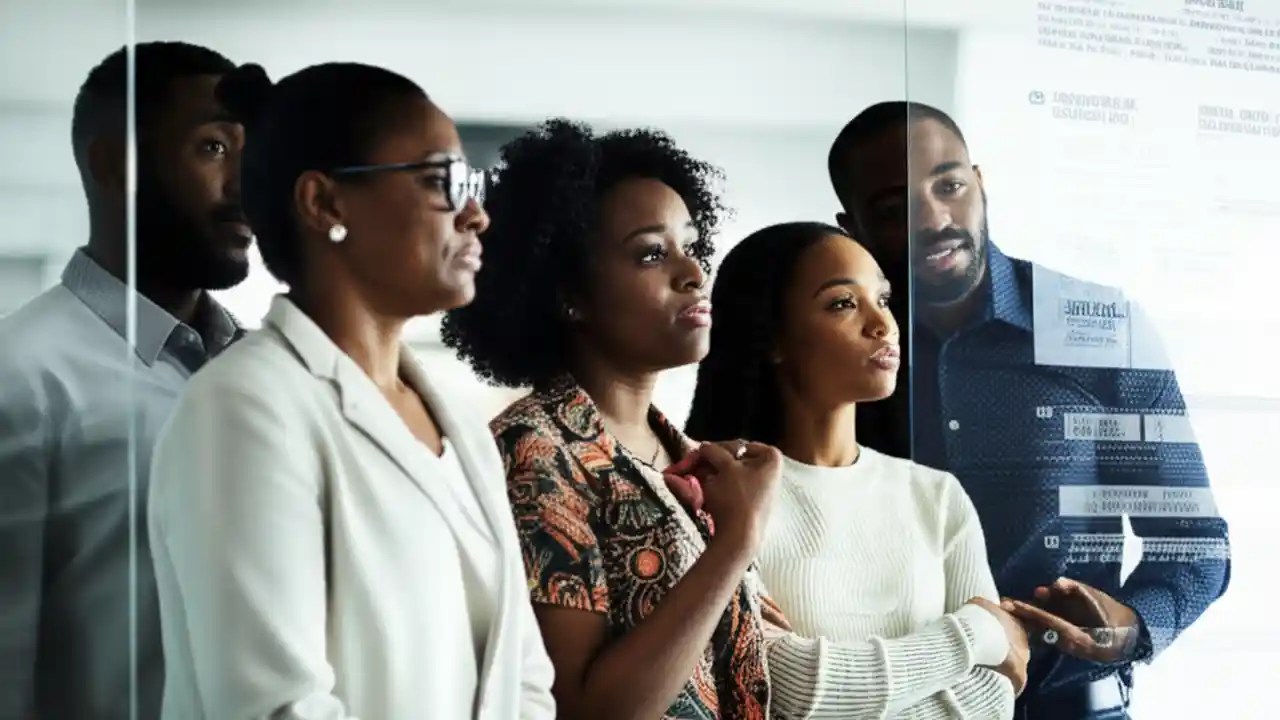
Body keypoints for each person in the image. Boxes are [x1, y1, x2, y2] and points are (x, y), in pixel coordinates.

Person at [444, 119, 1028, 719]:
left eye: (690, 246)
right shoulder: (536, 451)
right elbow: (587, 710)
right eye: (651, 253)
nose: (694, 272)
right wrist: (734, 549)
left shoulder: (687, 457)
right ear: (569, 291)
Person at [146, 62, 555, 719]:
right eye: (441, 180)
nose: (476, 215)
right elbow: (279, 707)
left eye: (472, 184)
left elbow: (525, 680)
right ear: (326, 203)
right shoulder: (245, 408)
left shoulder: (461, 424)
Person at [827, 101, 1231, 719]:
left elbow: (1196, 545)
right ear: (851, 226)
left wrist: (1129, 627)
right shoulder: (836, 348)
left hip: (1069, 704)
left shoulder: (1104, 332)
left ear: (981, 183)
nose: (934, 219)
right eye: (892, 208)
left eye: (951, 186)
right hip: (889, 704)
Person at [686, 220, 1029, 718]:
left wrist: (846, 690)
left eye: (883, 300)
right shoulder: (719, 494)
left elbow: (994, 697)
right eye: (843, 303)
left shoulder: (936, 496)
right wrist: (979, 631)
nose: (883, 325)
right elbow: (792, 688)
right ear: (772, 337)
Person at [0, 42, 248, 719]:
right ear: (115, 165)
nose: (245, 184)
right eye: (213, 149)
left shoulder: (262, 374)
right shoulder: (21, 376)